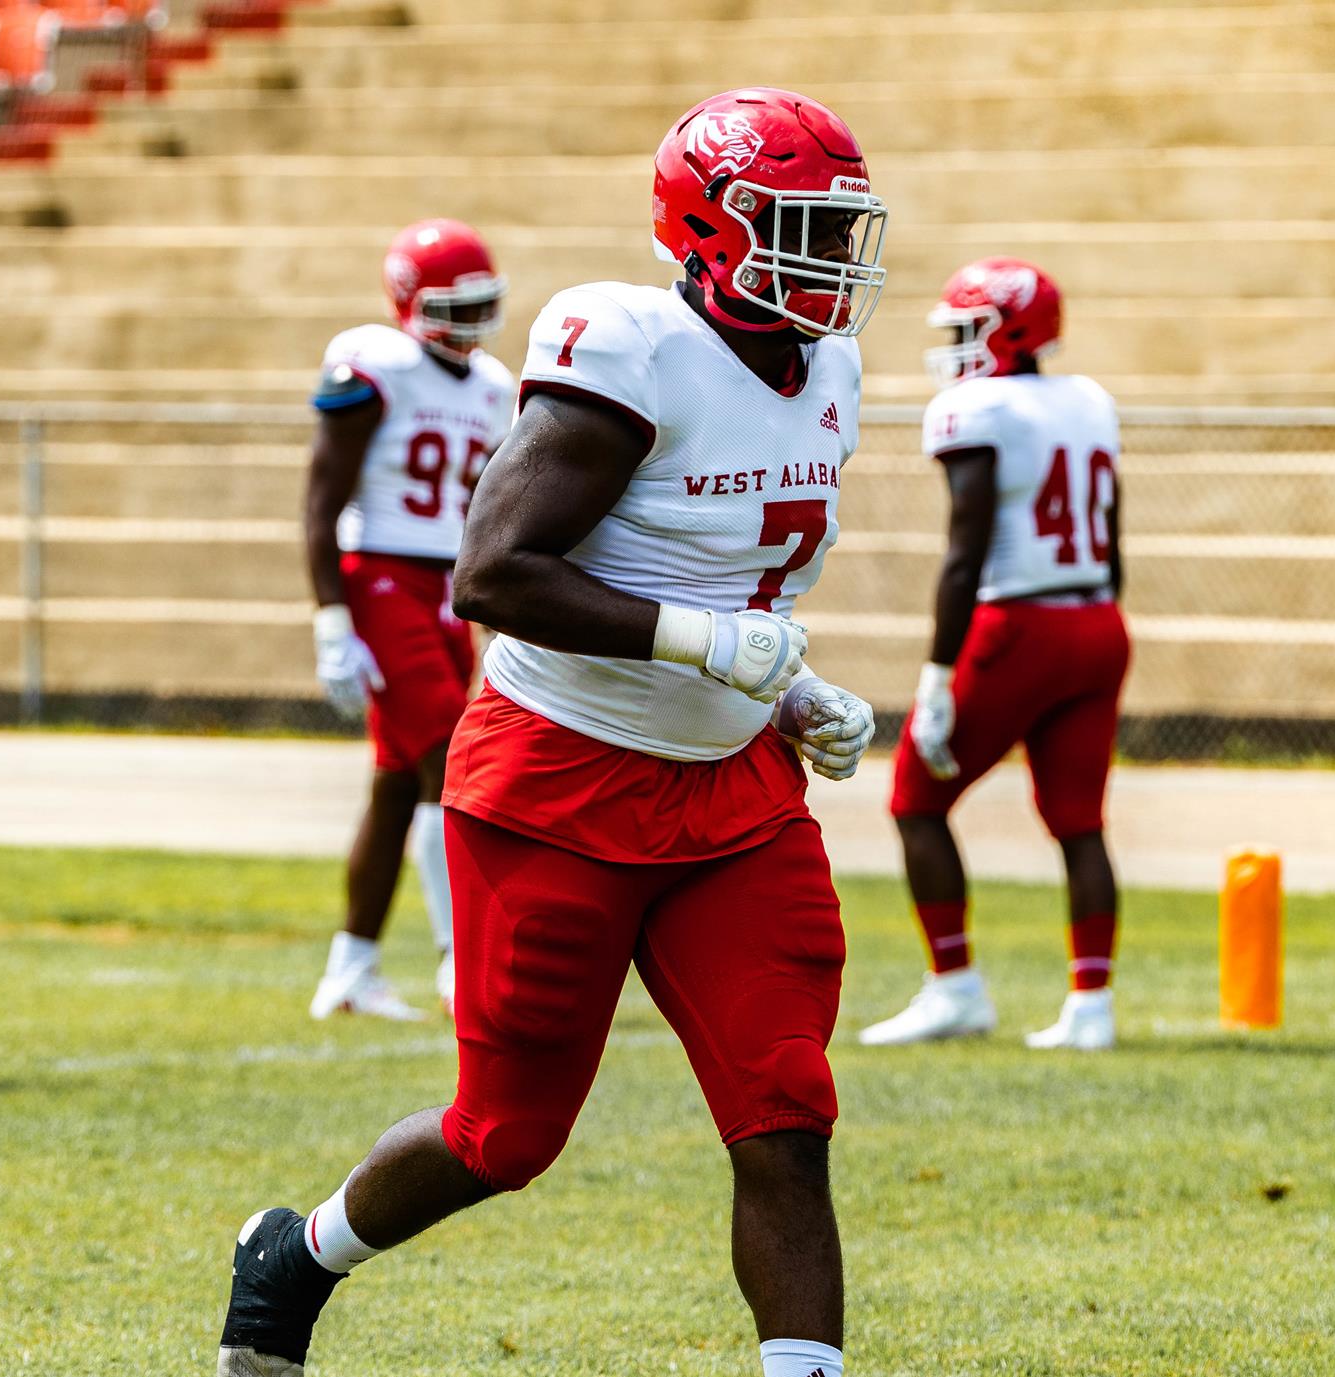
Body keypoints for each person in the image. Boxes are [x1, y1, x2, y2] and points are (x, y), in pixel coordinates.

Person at [216, 88, 888, 1377]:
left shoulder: (833, 368)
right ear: (708, 226)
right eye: (797, 224)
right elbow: (493, 572)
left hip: (732, 798)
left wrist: (790, 692)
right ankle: (298, 1254)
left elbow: (738, 586)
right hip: (559, 779)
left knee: (785, 1113)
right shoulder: (626, 344)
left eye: (837, 228)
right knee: (504, 1138)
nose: (825, 257)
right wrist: (702, 648)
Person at [860, 258, 1130, 1051]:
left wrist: (939, 672)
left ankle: (955, 986)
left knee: (915, 799)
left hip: (1017, 626)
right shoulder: (1088, 400)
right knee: (1080, 822)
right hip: (1098, 619)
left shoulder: (979, 408)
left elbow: (965, 551)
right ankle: (1092, 1002)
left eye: (967, 328)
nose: (953, 347)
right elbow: (1110, 537)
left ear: (1010, 328)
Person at [305, 219, 514, 1022]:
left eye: (481, 307)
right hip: (382, 575)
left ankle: (351, 967)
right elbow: (321, 503)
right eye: (454, 308)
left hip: (448, 586)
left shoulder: (493, 384)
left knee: (397, 786)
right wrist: (331, 616)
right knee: (449, 761)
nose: (471, 326)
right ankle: (462, 960)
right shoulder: (375, 364)